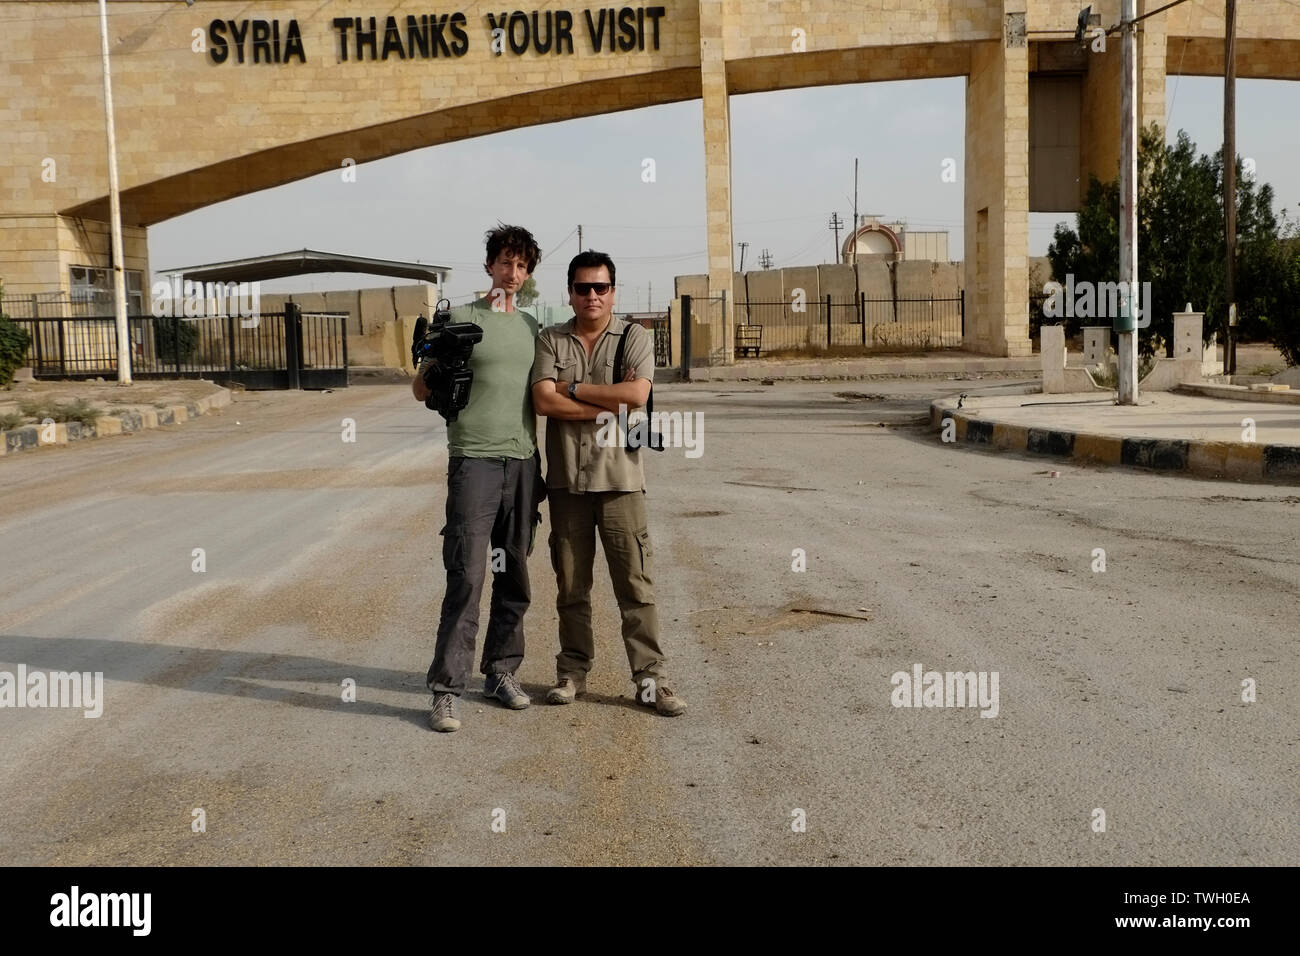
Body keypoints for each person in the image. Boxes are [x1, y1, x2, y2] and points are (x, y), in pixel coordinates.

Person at [528, 250, 686, 716]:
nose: (592, 295)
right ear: (570, 293)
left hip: (620, 482)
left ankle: (651, 679)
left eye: (600, 287)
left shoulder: (634, 336)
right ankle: (572, 672)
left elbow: (637, 395)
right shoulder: (551, 339)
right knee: (571, 587)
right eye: (582, 287)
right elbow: (542, 402)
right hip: (567, 484)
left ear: (613, 291)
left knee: (635, 585)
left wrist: (572, 390)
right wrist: (607, 405)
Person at [414, 225, 542, 733]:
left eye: (521, 266)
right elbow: (420, 390)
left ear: (528, 273)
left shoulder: (533, 327)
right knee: (467, 575)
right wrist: (439, 364)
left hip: (524, 461)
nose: (511, 273)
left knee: (515, 572)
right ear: (488, 265)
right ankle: (447, 689)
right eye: (504, 263)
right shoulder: (461, 319)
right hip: (473, 461)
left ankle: (501, 672)